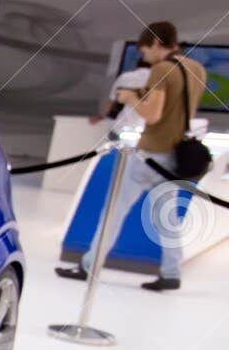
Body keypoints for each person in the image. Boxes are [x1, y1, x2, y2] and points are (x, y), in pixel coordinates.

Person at [57, 21, 206, 292]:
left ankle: (90, 266)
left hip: (151, 154)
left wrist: (130, 98)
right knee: (168, 219)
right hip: (176, 155)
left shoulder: (162, 69)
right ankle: (171, 273)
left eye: (145, 50)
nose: (144, 57)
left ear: (158, 43)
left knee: (113, 211)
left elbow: (153, 115)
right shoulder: (196, 69)